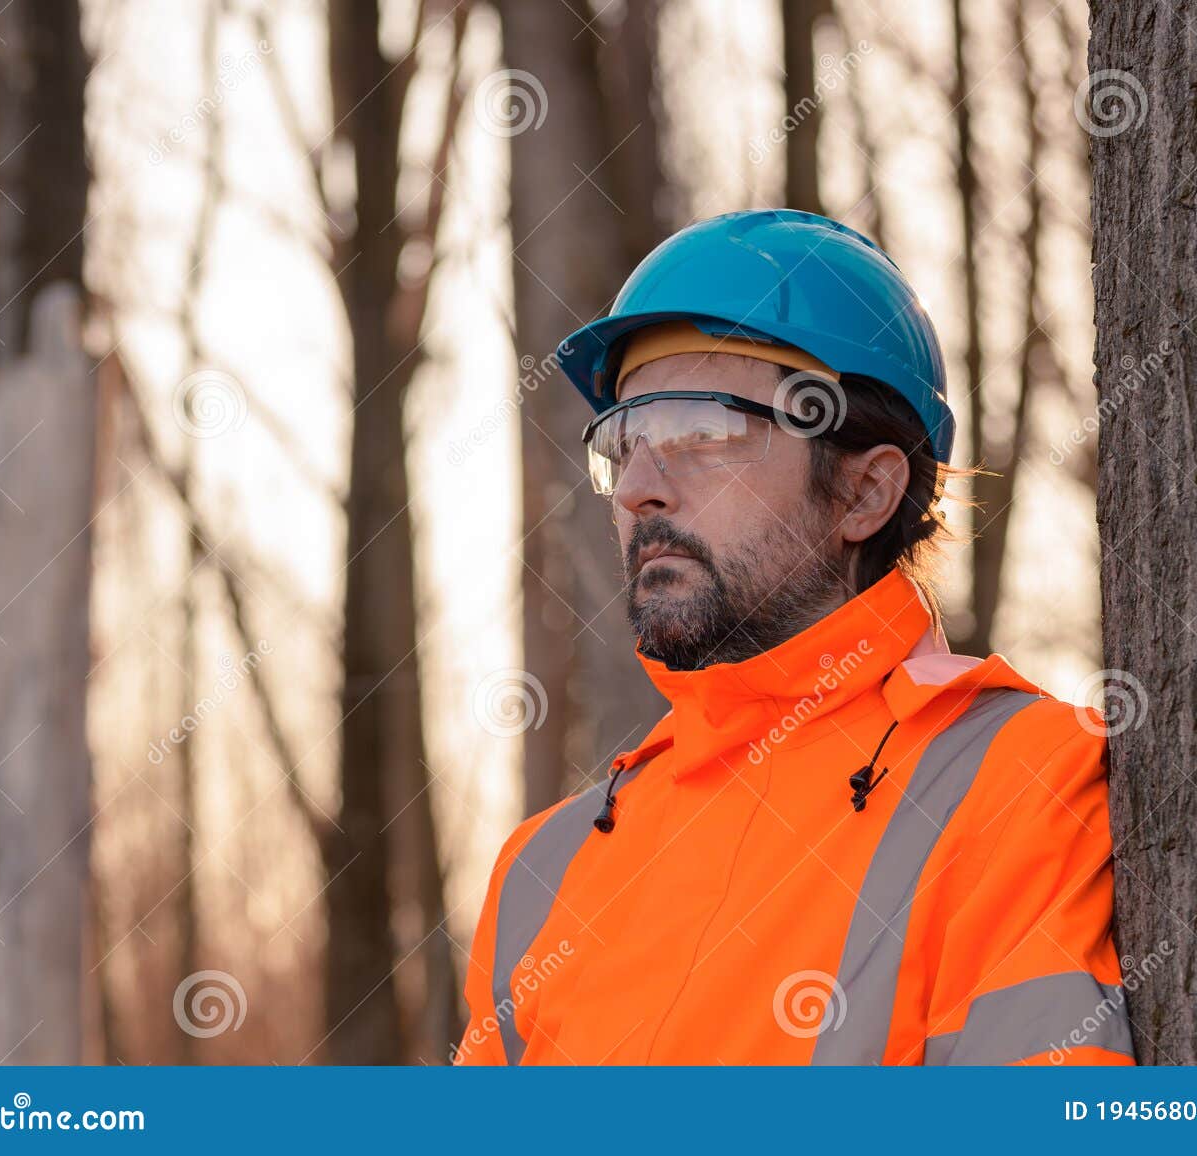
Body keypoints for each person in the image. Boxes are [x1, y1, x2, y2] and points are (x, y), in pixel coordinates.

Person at [454, 209, 1132, 1065]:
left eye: (701, 432)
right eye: (624, 441)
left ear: (865, 493)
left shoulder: (1015, 778)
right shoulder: (540, 872)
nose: (637, 490)